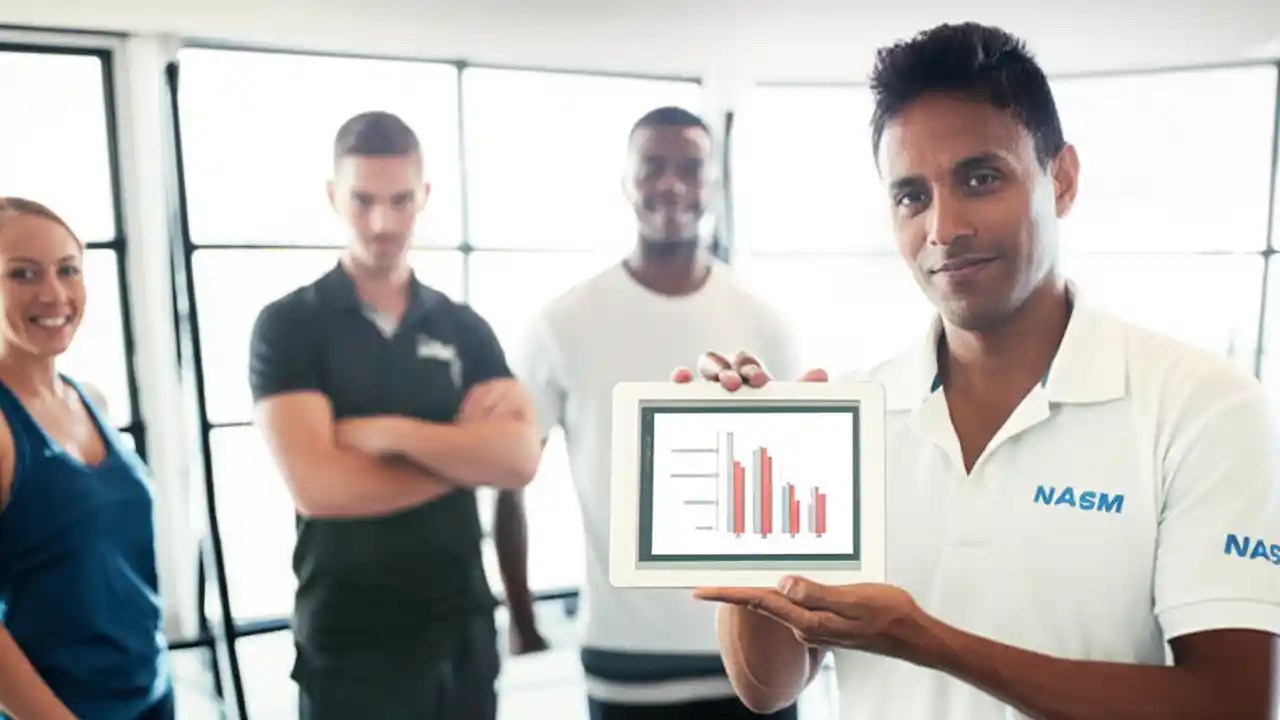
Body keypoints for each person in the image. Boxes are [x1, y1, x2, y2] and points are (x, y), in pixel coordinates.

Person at [678, 22, 1280, 720]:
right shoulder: (849, 413)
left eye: (980, 177)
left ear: (1062, 178)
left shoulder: (1202, 405)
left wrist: (928, 641)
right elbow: (767, 686)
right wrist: (745, 514)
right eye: (912, 196)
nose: (944, 228)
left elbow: (1233, 704)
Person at [497, 106, 802, 720]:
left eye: (689, 168)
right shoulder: (564, 322)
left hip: (754, 648)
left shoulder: (763, 320)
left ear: (713, 184)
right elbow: (509, 475)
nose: (671, 184)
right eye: (652, 167)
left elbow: (792, 495)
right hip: (625, 654)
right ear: (625, 182)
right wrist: (521, 614)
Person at [249, 111, 541, 720]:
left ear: (424, 197)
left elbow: (519, 458)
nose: (382, 222)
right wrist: (464, 454)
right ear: (333, 196)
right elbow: (320, 487)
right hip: (350, 638)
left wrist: (389, 434)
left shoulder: (463, 326)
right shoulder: (289, 326)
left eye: (400, 200)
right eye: (363, 200)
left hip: (461, 627)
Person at [0, 197, 172, 719]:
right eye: (23, 274)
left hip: (149, 694)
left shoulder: (90, 398)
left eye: (67, 270)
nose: (53, 294)